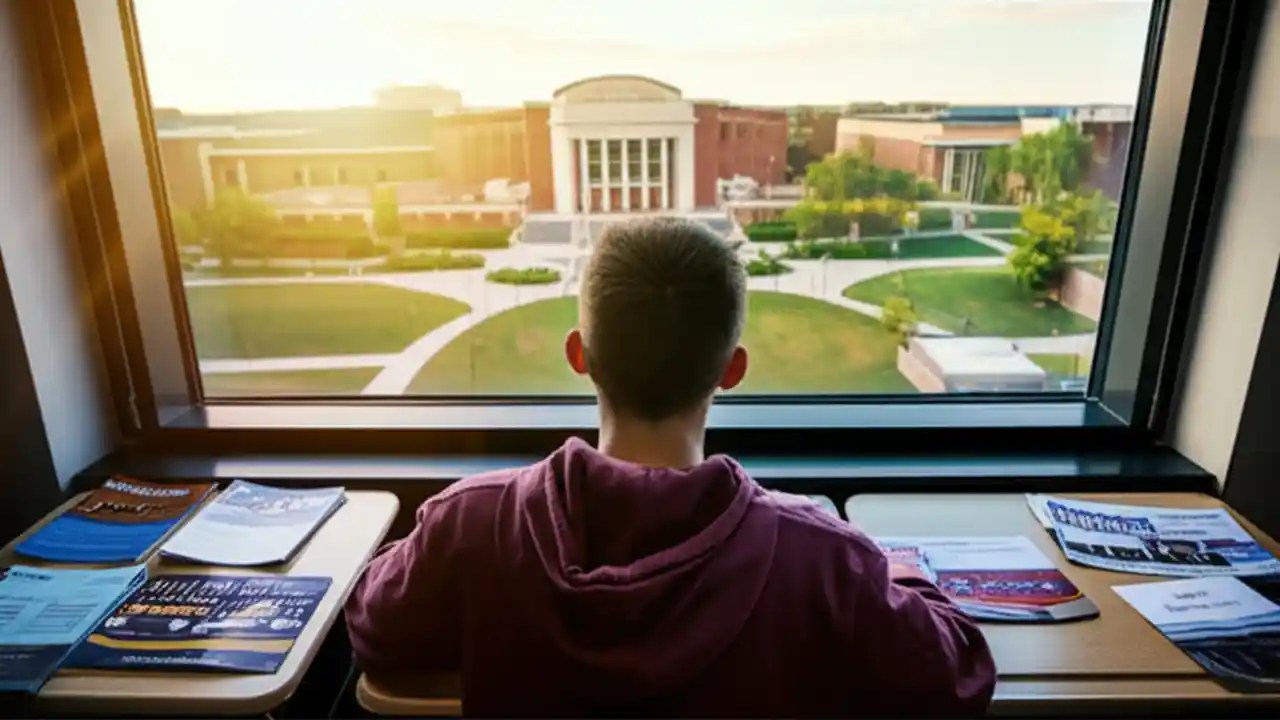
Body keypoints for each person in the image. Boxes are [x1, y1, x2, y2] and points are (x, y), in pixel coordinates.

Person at [345, 217, 996, 717]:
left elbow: (376, 627)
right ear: (732, 369)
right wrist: (893, 563)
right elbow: (958, 673)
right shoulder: (824, 559)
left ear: (579, 354)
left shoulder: (469, 523)